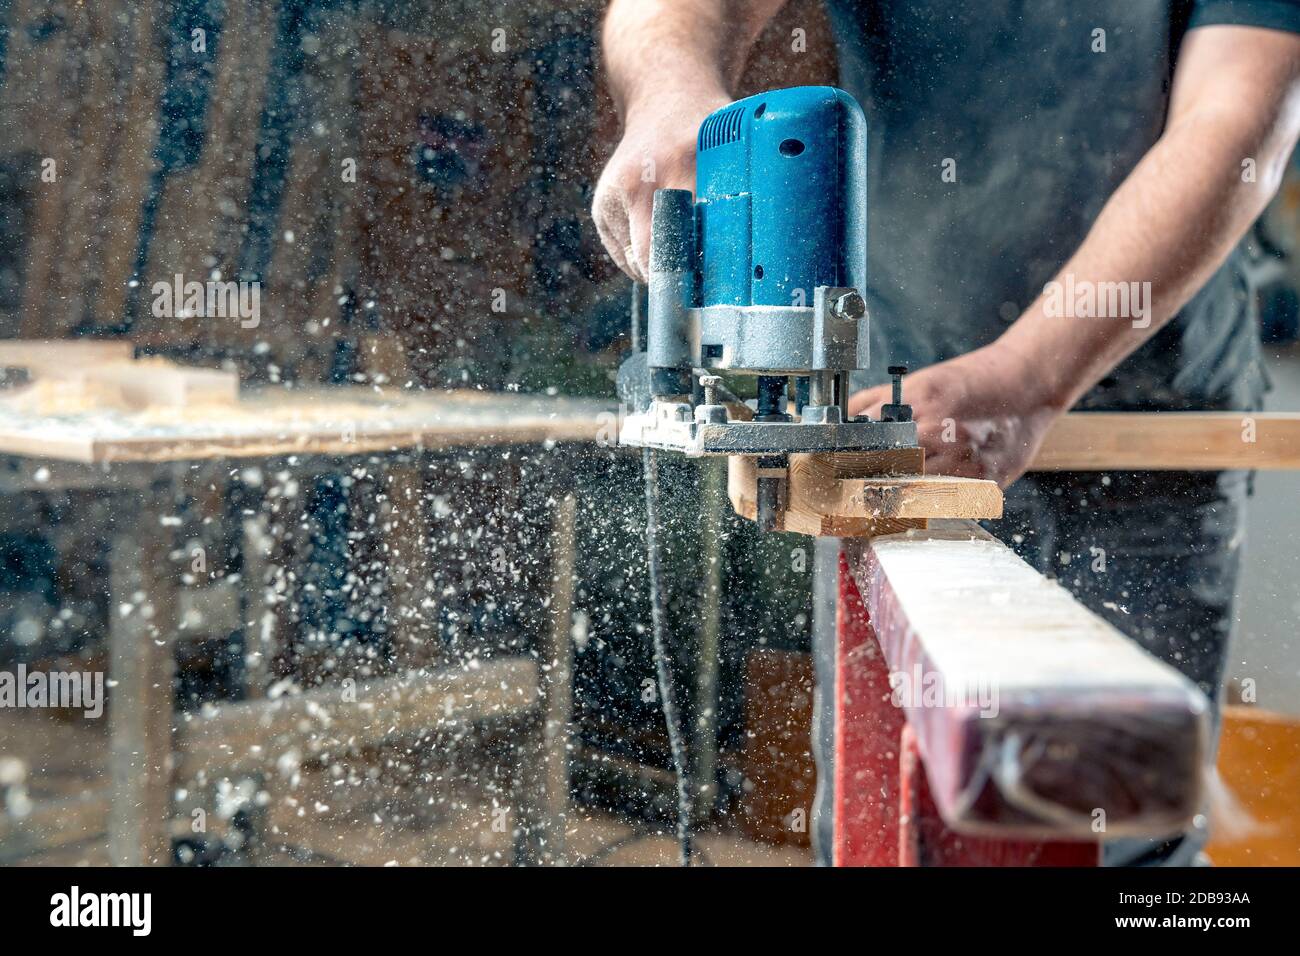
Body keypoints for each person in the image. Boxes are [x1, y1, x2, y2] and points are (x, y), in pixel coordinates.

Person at [592, 0, 1300, 865]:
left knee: (1124, 816)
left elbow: (1236, 121)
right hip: (899, 418)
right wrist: (669, 91)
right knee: (884, 821)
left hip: (1145, 412)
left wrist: (1028, 378)